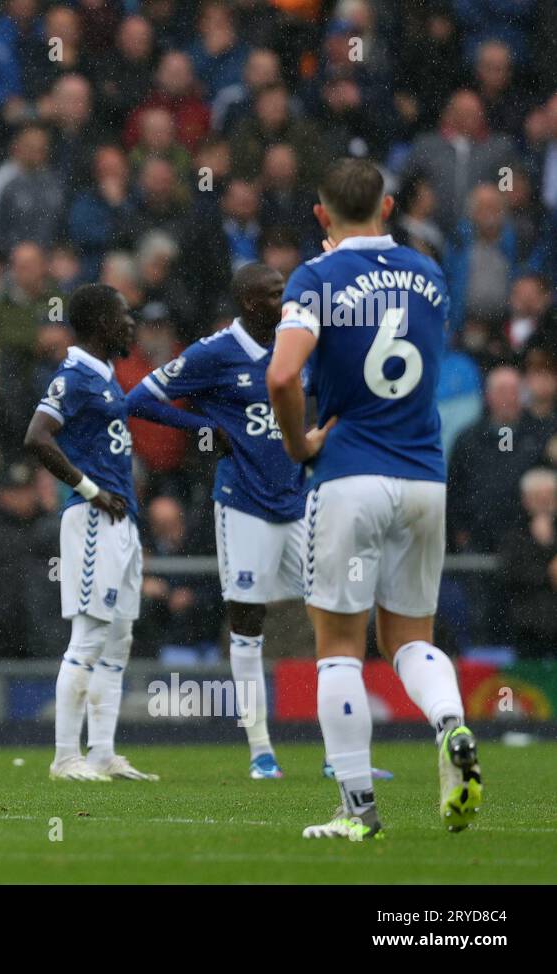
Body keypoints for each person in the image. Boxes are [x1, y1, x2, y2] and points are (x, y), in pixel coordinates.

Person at [267, 158, 479, 840]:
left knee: (338, 647)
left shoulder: (314, 278)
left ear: (322, 215)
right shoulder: (430, 274)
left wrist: (300, 444)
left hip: (350, 473)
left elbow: (281, 374)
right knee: (411, 639)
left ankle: (358, 811)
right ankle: (451, 725)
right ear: (388, 208)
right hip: (423, 473)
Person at [126, 263, 302, 779]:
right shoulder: (215, 351)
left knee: (336, 616)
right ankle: (261, 750)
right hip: (243, 503)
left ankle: (343, 756)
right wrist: (205, 429)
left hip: (300, 500)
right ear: (250, 304)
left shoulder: (298, 340)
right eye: (275, 293)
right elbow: (140, 399)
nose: (286, 298)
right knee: (247, 624)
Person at [24, 283, 158, 783]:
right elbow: (35, 435)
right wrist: (87, 489)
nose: (130, 323)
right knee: (88, 637)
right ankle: (64, 756)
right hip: (95, 521)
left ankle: (101, 751)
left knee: (118, 639)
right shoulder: (76, 374)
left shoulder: (105, 376)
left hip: (123, 522)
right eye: (123, 315)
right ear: (102, 323)